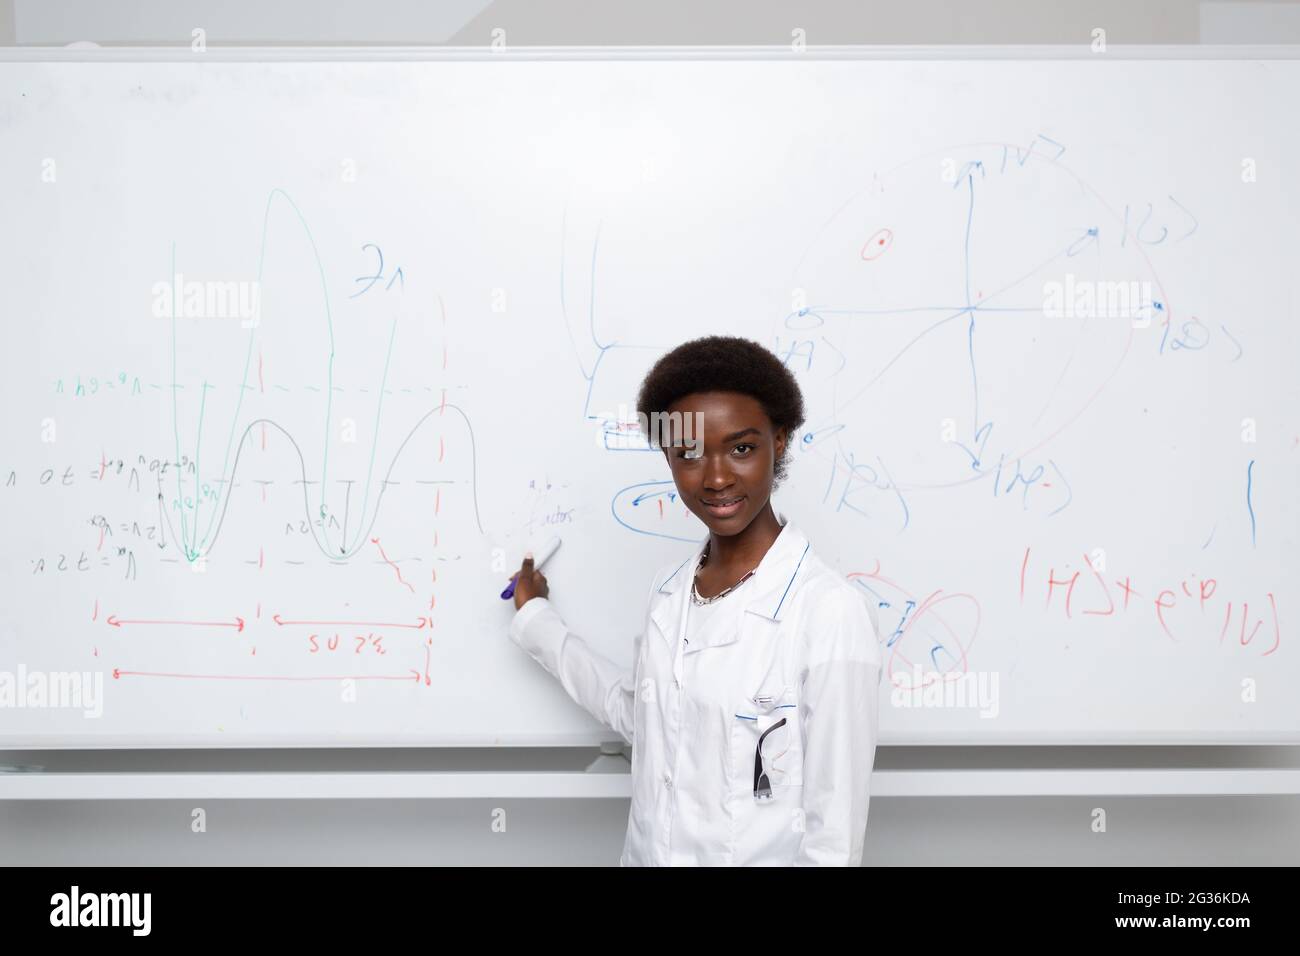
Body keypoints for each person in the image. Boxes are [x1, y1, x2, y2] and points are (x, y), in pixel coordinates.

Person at [508, 334, 883, 865]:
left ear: (779, 441)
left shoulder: (827, 612)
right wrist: (536, 619)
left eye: (742, 447)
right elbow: (640, 714)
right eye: (688, 453)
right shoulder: (669, 594)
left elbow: (834, 840)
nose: (717, 477)